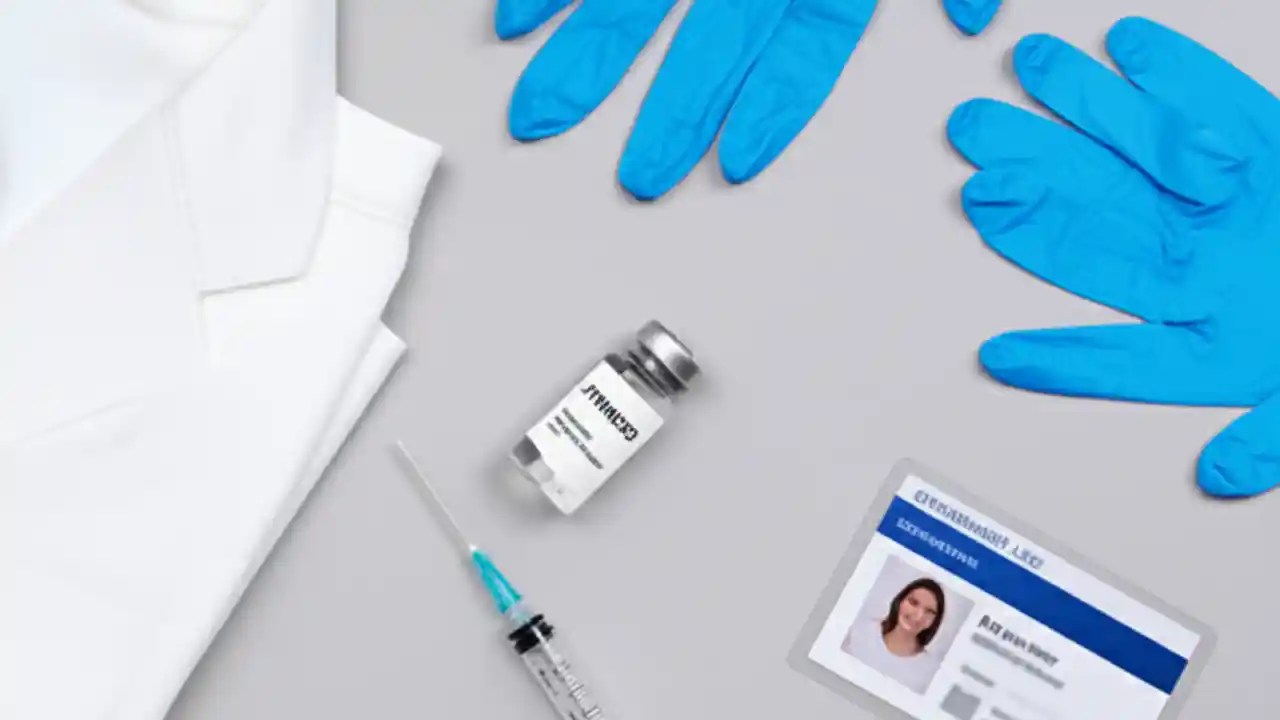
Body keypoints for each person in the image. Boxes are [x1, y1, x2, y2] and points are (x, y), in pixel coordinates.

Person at [842, 578, 948, 693]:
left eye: (929, 611)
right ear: (900, 601)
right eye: (913, 602)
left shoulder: (930, 672)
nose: (918, 616)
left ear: (935, 621)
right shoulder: (860, 631)